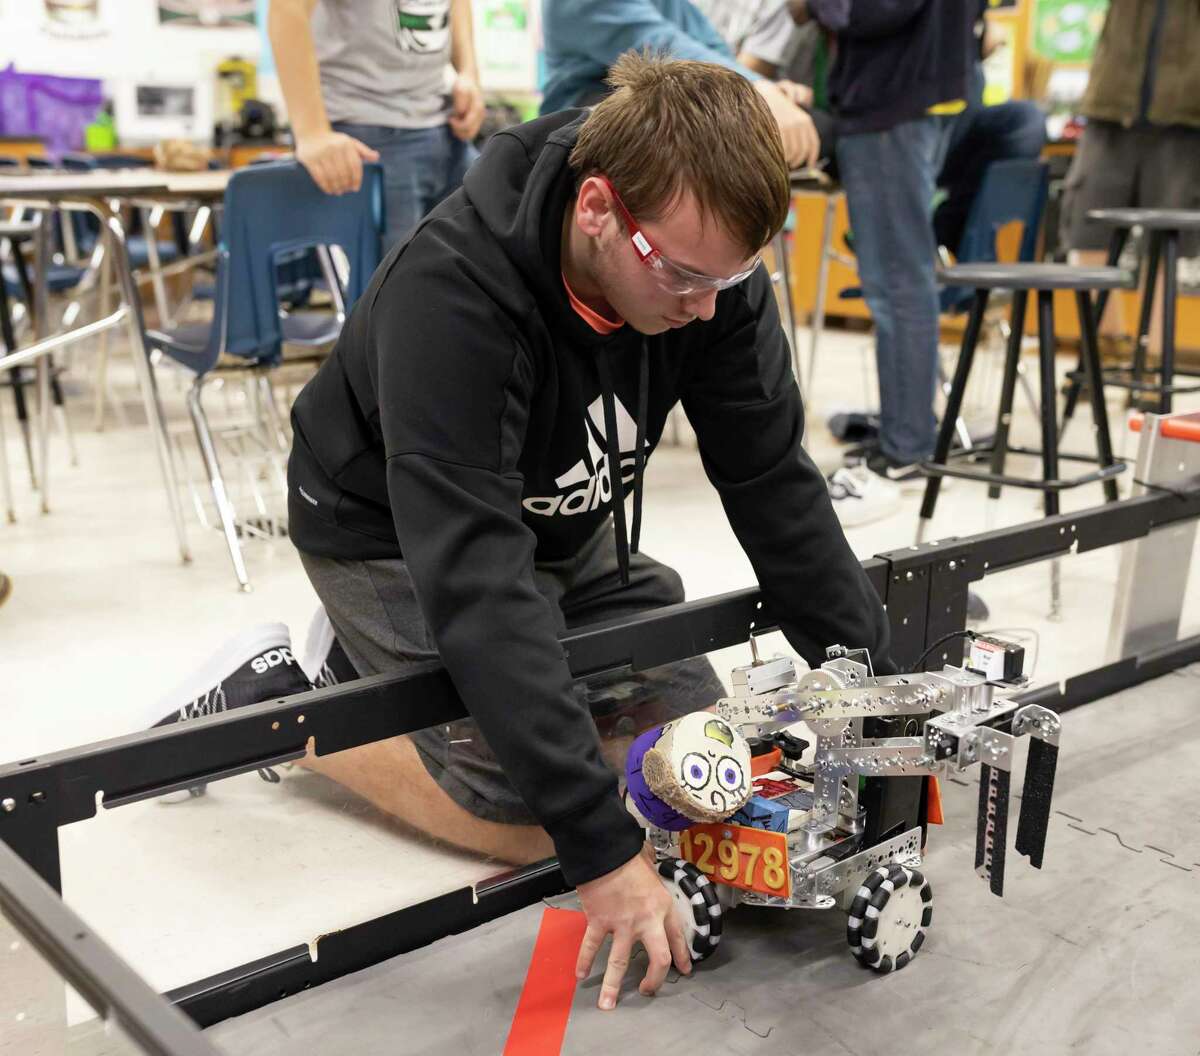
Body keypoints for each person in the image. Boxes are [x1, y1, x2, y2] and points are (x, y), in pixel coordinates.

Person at [161, 54, 891, 1010]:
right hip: (390, 530)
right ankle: (284, 706)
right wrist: (601, 853)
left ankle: (384, 678)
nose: (709, 308)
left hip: (562, 520)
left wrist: (878, 691)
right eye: (684, 276)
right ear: (597, 209)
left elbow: (773, 484)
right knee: (529, 811)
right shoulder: (454, 294)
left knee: (697, 768)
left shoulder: (706, 265)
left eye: (735, 277)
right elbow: (480, 586)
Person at [789, 0, 975, 525]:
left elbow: (871, 10)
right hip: (920, 95)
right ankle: (907, 430)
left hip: (892, 102)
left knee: (897, 284)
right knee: (903, 279)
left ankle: (908, 449)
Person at [268, 0, 486, 250]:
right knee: (398, 273)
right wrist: (312, 132)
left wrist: (469, 74)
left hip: (445, 125)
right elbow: (287, 9)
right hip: (365, 133)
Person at [1060, 0, 1200, 358]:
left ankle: (1156, 358)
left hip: (1184, 115)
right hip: (1109, 104)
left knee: (1168, 241)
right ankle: (1104, 348)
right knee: (1087, 226)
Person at [540, 0, 821, 171]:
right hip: (590, 117)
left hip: (662, 98)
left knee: (819, 128)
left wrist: (769, 89)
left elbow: (707, 46)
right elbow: (655, 47)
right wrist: (756, 87)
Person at [933, 3, 1046, 258]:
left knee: (1025, 121)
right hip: (901, 118)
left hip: (957, 118)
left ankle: (949, 229)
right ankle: (930, 234)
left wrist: (979, 29)